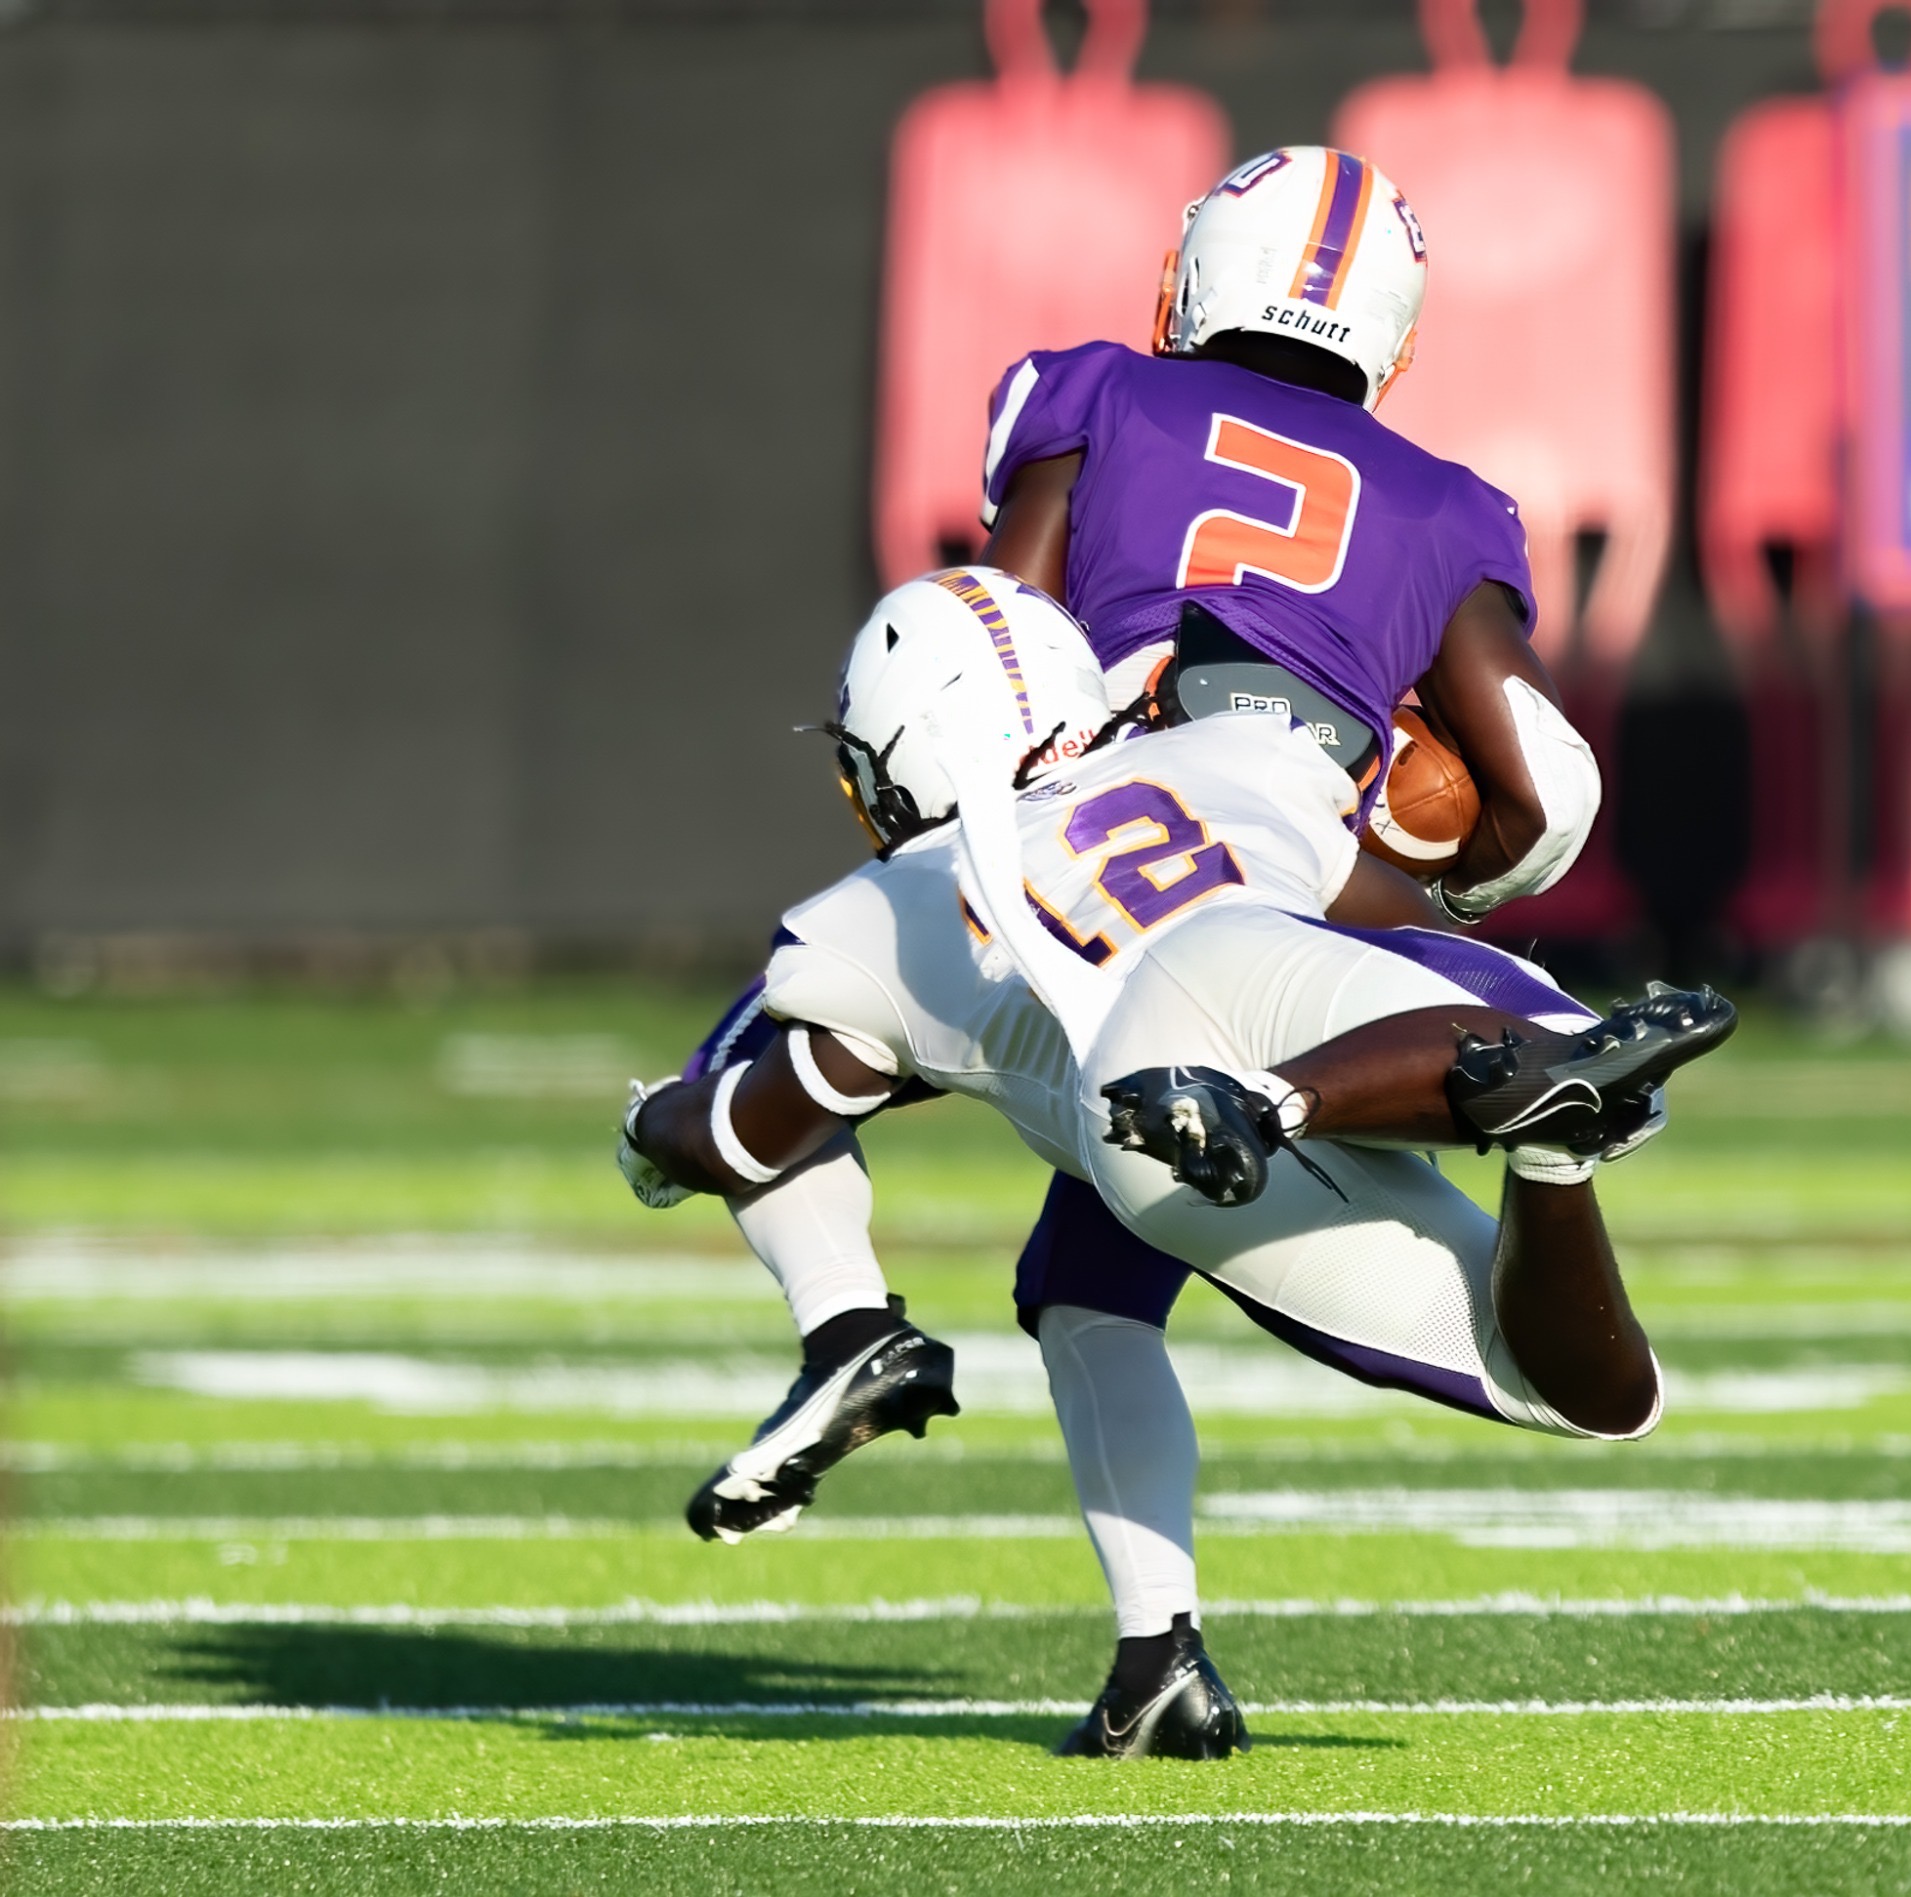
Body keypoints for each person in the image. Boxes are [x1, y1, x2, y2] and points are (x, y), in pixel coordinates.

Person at [666, 145, 1606, 1552]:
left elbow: (1008, 641)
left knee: (760, 1068)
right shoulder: (1450, 507)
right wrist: (1427, 851)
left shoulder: (1097, 390)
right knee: (1096, 1266)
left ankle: (845, 1322)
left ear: (1196, 269)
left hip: (1088, 849)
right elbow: (1543, 796)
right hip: (1283, 878)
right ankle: (1155, 1656)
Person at [622, 571, 1733, 1757]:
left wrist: (650, 1128)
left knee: (1594, 1398)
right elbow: (1396, 920)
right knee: (1509, 1102)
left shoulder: (877, 914)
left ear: (901, 755)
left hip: (1139, 1126)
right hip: (1264, 975)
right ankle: (1498, 1107)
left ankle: (1348, 1124)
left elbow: (746, 1134)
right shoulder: (1229, 758)